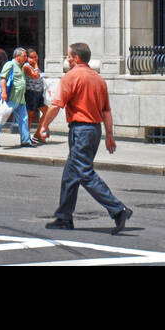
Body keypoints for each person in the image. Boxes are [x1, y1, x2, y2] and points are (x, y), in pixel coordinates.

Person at [37, 43, 132, 233]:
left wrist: (44, 126)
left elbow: (56, 105)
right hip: (94, 130)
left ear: (77, 58)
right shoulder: (98, 79)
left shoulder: (71, 77)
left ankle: (118, 209)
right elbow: (106, 110)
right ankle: (64, 218)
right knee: (70, 176)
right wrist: (110, 136)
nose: (67, 59)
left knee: (84, 172)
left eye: (69, 56)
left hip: (80, 129)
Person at [0, 47, 34, 148]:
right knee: (2, 117)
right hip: (11, 98)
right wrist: (4, 92)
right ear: (17, 56)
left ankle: (26, 140)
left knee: (24, 119)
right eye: (24, 56)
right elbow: (3, 79)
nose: (26, 58)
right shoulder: (10, 64)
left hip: (20, 98)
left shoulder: (22, 66)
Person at [23, 50, 48, 144]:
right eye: (32, 57)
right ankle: (26, 138)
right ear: (27, 58)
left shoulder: (34, 67)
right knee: (30, 116)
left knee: (47, 112)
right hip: (31, 93)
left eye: (36, 56)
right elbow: (36, 76)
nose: (35, 59)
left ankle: (38, 134)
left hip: (39, 94)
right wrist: (36, 65)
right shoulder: (27, 66)